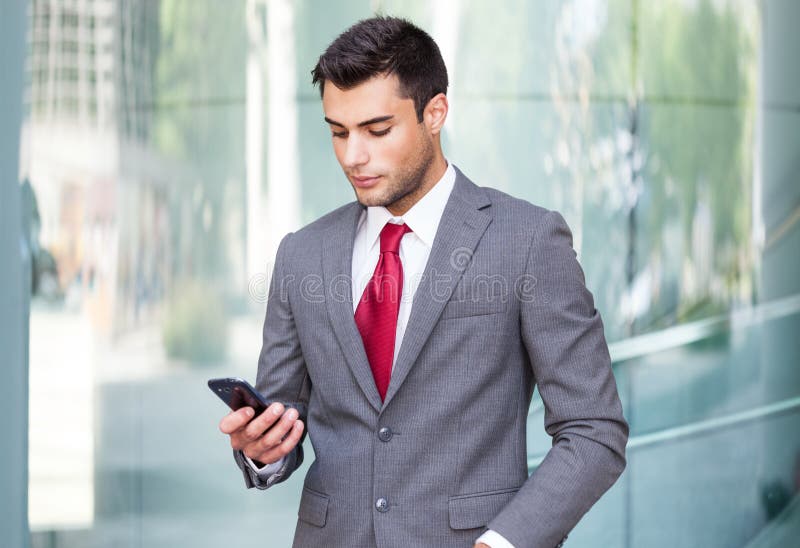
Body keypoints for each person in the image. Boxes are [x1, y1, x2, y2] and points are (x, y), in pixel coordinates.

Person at [219, 15, 628, 548]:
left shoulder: (528, 241)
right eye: (338, 132)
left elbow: (595, 430)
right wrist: (261, 447)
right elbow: (282, 417)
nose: (353, 156)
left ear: (435, 113)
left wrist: (503, 542)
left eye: (377, 129)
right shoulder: (301, 255)